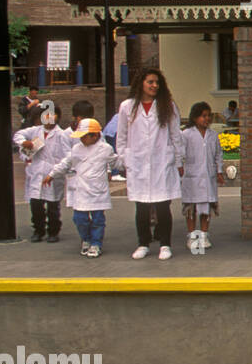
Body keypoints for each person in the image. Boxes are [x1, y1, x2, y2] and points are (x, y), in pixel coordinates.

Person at [117, 68, 184, 261]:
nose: (154, 86)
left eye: (157, 82)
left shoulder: (167, 106)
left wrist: (178, 160)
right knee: (142, 207)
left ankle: (165, 244)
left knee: (163, 206)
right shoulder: (127, 107)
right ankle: (143, 243)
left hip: (162, 161)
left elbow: (175, 136)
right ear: (141, 84)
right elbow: (121, 136)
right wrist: (124, 159)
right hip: (137, 162)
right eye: (150, 82)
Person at [43, 119, 120, 258]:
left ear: (95, 135)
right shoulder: (76, 149)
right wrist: (52, 174)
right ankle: (86, 239)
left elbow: (115, 161)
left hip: (98, 190)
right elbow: (66, 163)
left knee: (98, 220)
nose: (82, 139)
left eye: (85, 136)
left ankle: (96, 243)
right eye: (81, 136)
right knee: (79, 219)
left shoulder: (105, 149)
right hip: (81, 189)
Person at [13, 102, 71, 243]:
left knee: (52, 206)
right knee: (36, 204)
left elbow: (67, 156)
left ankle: (53, 231)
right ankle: (38, 230)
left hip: (52, 174)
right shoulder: (35, 131)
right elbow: (18, 135)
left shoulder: (61, 134)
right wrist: (23, 143)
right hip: (36, 172)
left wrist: (58, 171)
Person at [181, 102, 223, 255]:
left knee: (206, 207)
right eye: (203, 116)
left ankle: (204, 235)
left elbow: (218, 154)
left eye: (208, 116)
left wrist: (219, 171)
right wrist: (180, 167)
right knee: (191, 208)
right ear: (194, 117)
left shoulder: (213, 135)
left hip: (208, 176)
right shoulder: (187, 134)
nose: (206, 119)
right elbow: (180, 153)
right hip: (192, 176)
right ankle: (192, 236)